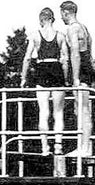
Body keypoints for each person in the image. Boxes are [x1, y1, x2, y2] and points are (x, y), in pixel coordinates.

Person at [20, 8, 69, 157]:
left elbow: (27, 58)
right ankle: (58, 146)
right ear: (52, 19)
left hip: (42, 69)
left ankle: (44, 147)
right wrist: (66, 79)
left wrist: (23, 78)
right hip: (56, 69)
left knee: (44, 112)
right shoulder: (61, 36)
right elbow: (65, 60)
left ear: (41, 20)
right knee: (58, 112)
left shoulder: (35, 35)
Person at [60, 1, 94, 156]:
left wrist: (75, 78)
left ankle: (84, 148)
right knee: (81, 109)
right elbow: (89, 50)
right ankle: (84, 145)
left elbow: (75, 53)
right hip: (86, 69)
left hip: (80, 71)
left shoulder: (72, 29)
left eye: (61, 14)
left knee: (82, 109)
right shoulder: (84, 28)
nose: (61, 17)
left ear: (66, 12)